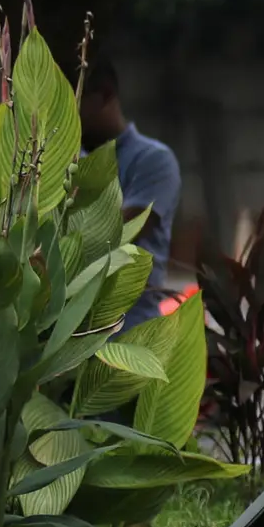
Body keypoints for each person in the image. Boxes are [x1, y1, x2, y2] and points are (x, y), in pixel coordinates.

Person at [78, 59, 183, 329]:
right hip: (70, 336)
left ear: (105, 97)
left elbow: (122, 231)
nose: (67, 118)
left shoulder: (153, 160)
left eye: (74, 104)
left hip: (130, 328)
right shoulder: (72, 161)